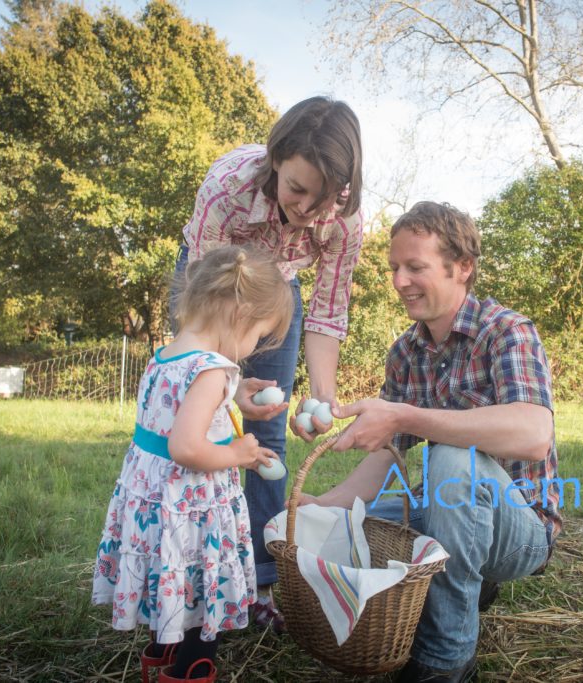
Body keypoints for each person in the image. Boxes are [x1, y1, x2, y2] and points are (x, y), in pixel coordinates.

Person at [301, 202, 561, 683]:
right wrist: (325, 506)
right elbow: (385, 455)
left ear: (462, 268)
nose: (399, 280)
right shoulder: (405, 351)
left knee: (452, 454)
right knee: (352, 529)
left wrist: (405, 414)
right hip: (451, 508)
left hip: (520, 530)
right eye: (394, 268)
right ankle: (455, 584)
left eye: (414, 267)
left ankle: (446, 661)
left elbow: (533, 434)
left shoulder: (506, 332)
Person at [171, 96, 364, 629]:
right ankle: (192, 572)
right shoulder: (226, 189)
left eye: (323, 200)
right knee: (208, 425)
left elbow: (328, 313)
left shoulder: (344, 220)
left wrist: (322, 396)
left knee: (269, 437)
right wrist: (226, 387)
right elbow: (203, 311)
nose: (307, 210)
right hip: (213, 287)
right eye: (297, 189)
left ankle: (257, 584)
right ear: (277, 159)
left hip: (283, 288)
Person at [93, 245, 294, 683]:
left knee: (172, 580)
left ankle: (161, 653)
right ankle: (190, 669)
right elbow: (186, 447)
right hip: (190, 504)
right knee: (200, 590)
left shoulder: (165, 356)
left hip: (158, 503)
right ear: (238, 312)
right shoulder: (210, 370)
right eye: (258, 334)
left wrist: (241, 445)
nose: (254, 346)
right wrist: (238, 454)